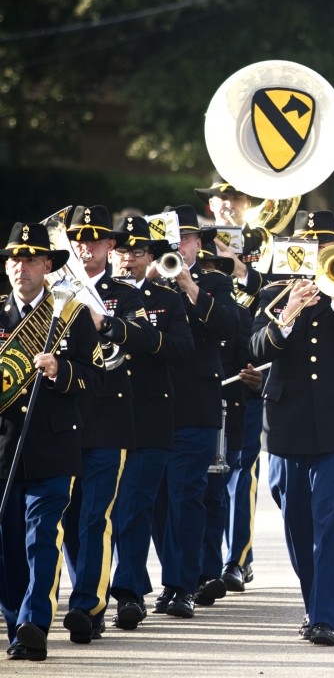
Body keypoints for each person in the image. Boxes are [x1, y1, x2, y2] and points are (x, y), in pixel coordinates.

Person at [251, 210, 334, 646]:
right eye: (309, 246)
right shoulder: (273, 291)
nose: (318, 254)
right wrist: (286, 315)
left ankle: (324, 617)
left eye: (326, 246)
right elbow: (250, 347)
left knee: (333, 520)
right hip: (288, 421)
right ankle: (314, 604)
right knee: (298, 524)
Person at [0, 222, 103, 661]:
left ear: (48, 266)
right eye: (14, 259)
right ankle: (13, 620)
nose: (21, 267)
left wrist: (61, 370)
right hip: (4, 450)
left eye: (30, 260)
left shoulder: (72, 315)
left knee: (43, 536)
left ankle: (33, 624)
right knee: (6, 544)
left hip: (53, 446)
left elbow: (96, 380)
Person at [60, 205, 155, 645]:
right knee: (69, 515)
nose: (86, 246)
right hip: (63, 420)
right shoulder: (57, 294)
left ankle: (87, 606)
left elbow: (141, 336)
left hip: (107, 420)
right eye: (79, 239)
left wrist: (109, 325)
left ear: (110, 246)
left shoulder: (125, 294)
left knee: (96, 516)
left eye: (95, 240)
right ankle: (87, 588)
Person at [151, 205, 239, 619]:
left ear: (197, 244)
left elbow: (230, 326)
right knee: (157, 500)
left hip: (196, 403)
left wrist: (188, 285)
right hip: (151, 404)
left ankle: (181, 584)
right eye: (170, 240)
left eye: (184, 239)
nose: (177, 246)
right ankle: (174, 574)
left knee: (187, 495)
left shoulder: (215, 282)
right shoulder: (143, 284)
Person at [107, 217, 195, 631]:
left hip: (150, 415)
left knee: (136, 506)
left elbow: (181, 351)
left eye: (137, 252)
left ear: (150, 257)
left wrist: (126, 331)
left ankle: (128, 592)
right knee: (108, 510)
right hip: (102, 415)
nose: (128, 259)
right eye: (121, 251)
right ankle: (117, 586)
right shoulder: (94, 296)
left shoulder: (166, 298)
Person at [194, 179, 266, 591]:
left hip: (249, 369)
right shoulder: (195, 244)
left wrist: (241, 267)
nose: (226, 205)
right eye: (219, 198)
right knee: (209, 474)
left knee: (244, 468)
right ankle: (204, 562)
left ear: (247, 202)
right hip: (210, 369)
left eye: (235, 197)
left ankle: (238, 559)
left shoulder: (263, 245)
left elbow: (277, 292)